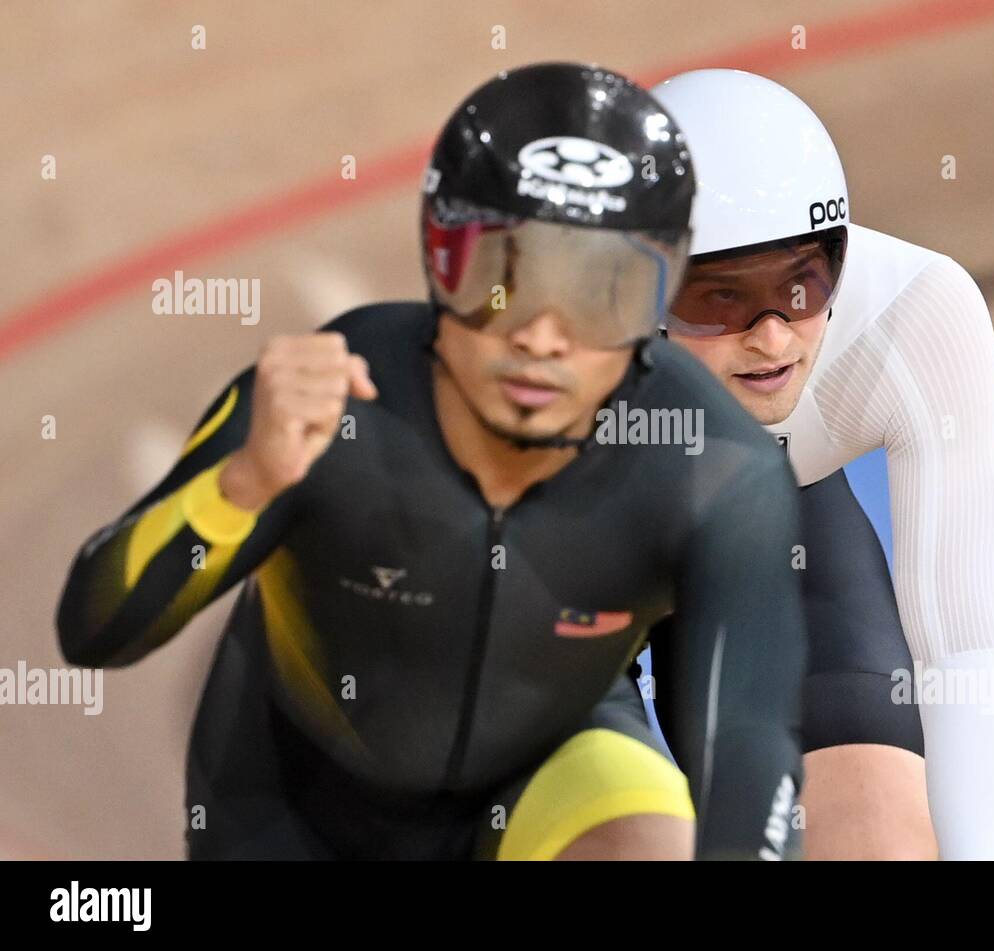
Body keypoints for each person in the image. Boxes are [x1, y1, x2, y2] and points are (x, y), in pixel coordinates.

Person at [55, 63, 807, 861]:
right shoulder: (333, 400)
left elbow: (749, 750)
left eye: (601, 292)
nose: (541, 337)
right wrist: (243, 484)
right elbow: (93, 630)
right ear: (436, 261)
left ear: (656, 304)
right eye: (500, 279)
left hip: (553, 773)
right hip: (294, 805)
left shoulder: (715, 470)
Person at [651, 69, 994, 860]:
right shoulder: (560, 360)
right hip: (567, 589)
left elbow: (968, 652)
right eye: (718, 297)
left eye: (802, 284)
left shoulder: (914, 314)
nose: (771, 337)